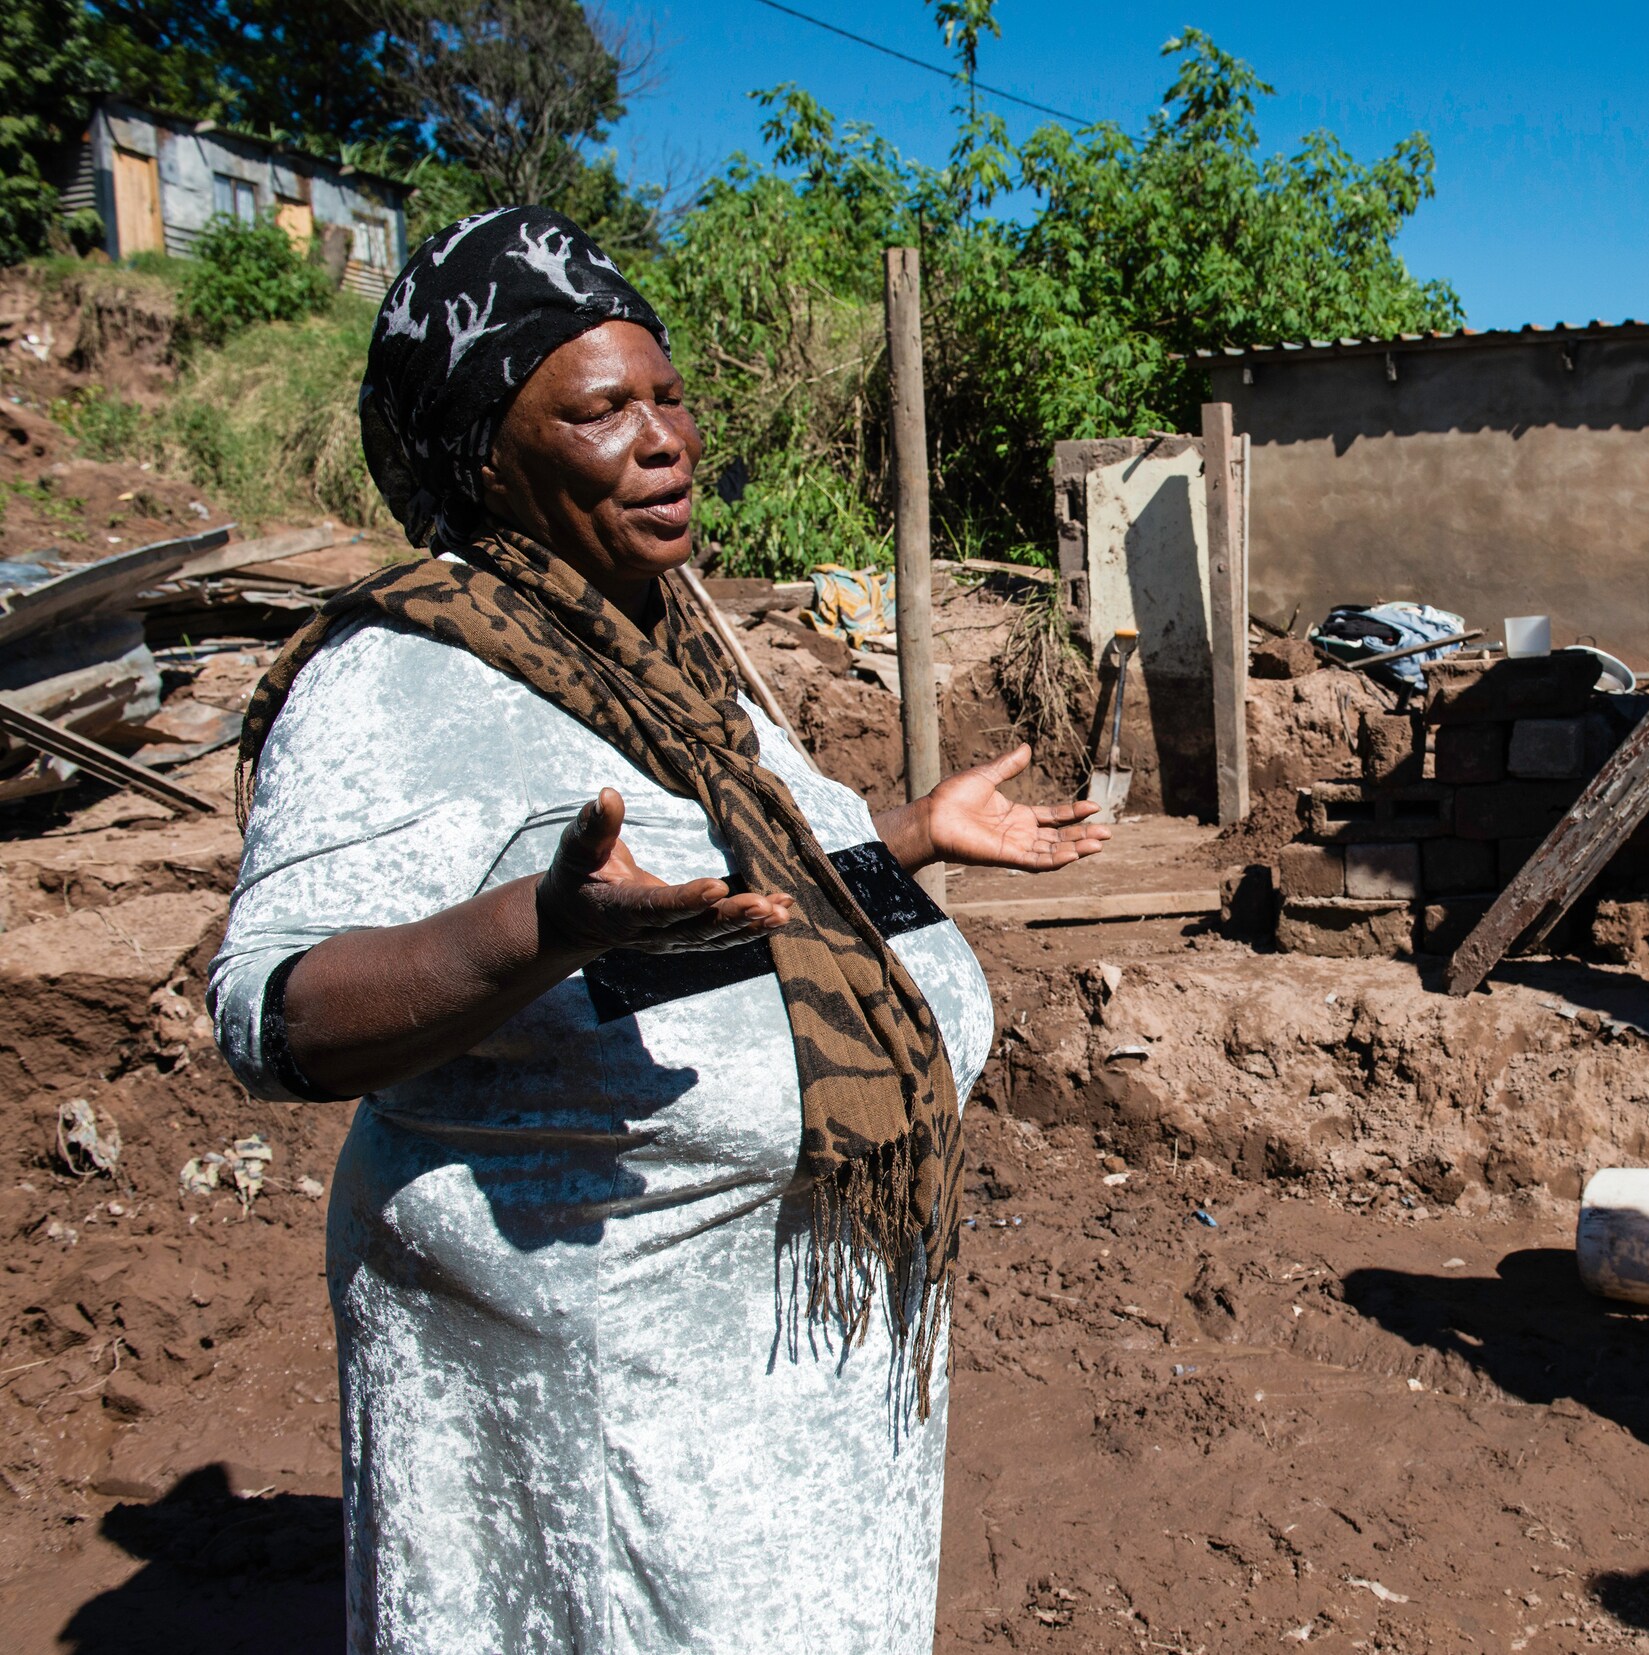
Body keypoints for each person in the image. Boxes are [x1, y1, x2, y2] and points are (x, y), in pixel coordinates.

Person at [209, 207, 1109, 1653]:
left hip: (777, 1359)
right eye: (599, 408)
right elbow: (275, 1011)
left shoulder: (672, 655)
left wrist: (910, 837)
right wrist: (530, 929)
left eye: (668, 393)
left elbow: (741, 895)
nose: (664, 437)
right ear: (484, 451)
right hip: (592, 1388)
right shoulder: (407, 677)